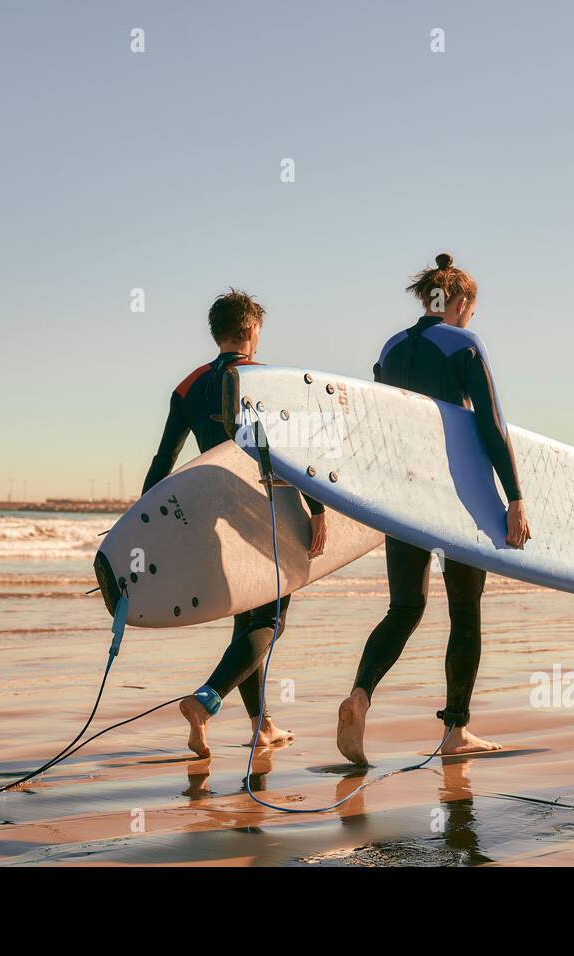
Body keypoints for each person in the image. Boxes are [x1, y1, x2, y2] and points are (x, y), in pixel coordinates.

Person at [337, 253, 531, 765]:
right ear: (462, 302)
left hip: (403, 499)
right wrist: (514, 497)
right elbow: (491, 426)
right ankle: (455, 732)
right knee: (464, 611)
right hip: (456, 499)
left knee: (405, 607)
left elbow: (375, 427)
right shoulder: (465, 344)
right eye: (471, 307)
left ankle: (360, 695)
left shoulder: (391, 348)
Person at [142, 289, 327, 757]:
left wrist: (143, 520)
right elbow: (293, 454)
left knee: (246, 619)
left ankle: (262, 725)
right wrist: (318, 509)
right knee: (270, 618)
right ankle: (205, 701)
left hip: (212, 513)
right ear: (250, 330)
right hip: (265, 509)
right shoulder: (265, 380)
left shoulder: (187, 386)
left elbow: (164, 458)